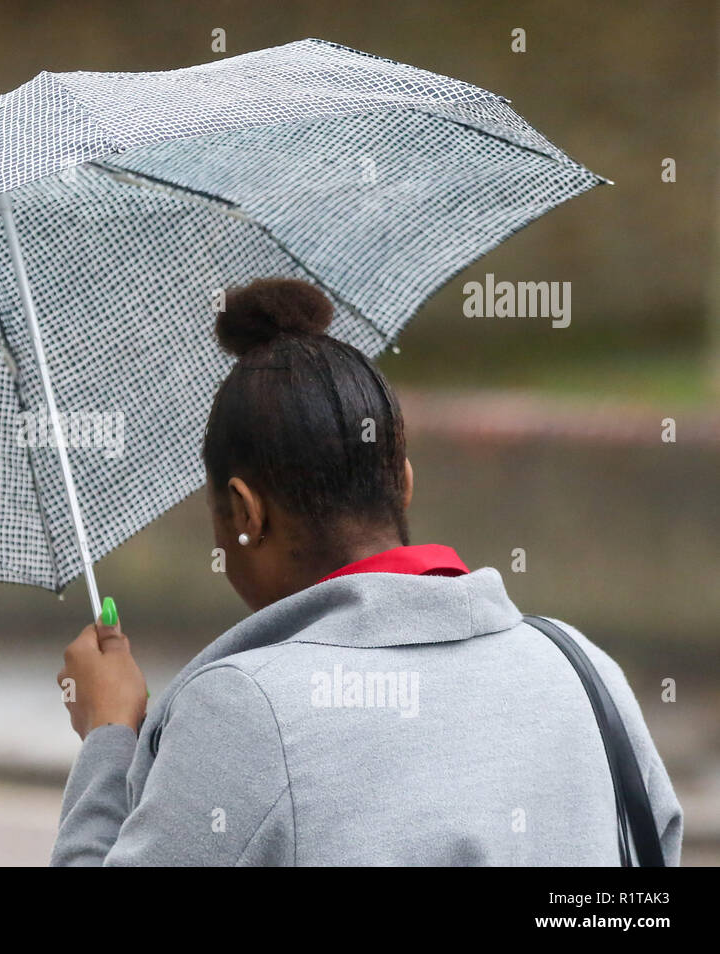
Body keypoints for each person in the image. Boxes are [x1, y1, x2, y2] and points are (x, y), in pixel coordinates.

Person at [50, 278, 682, 866]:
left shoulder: (243, 712)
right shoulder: (584, 672)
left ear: (245, 510)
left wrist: (108, 737)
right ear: (403, 482)